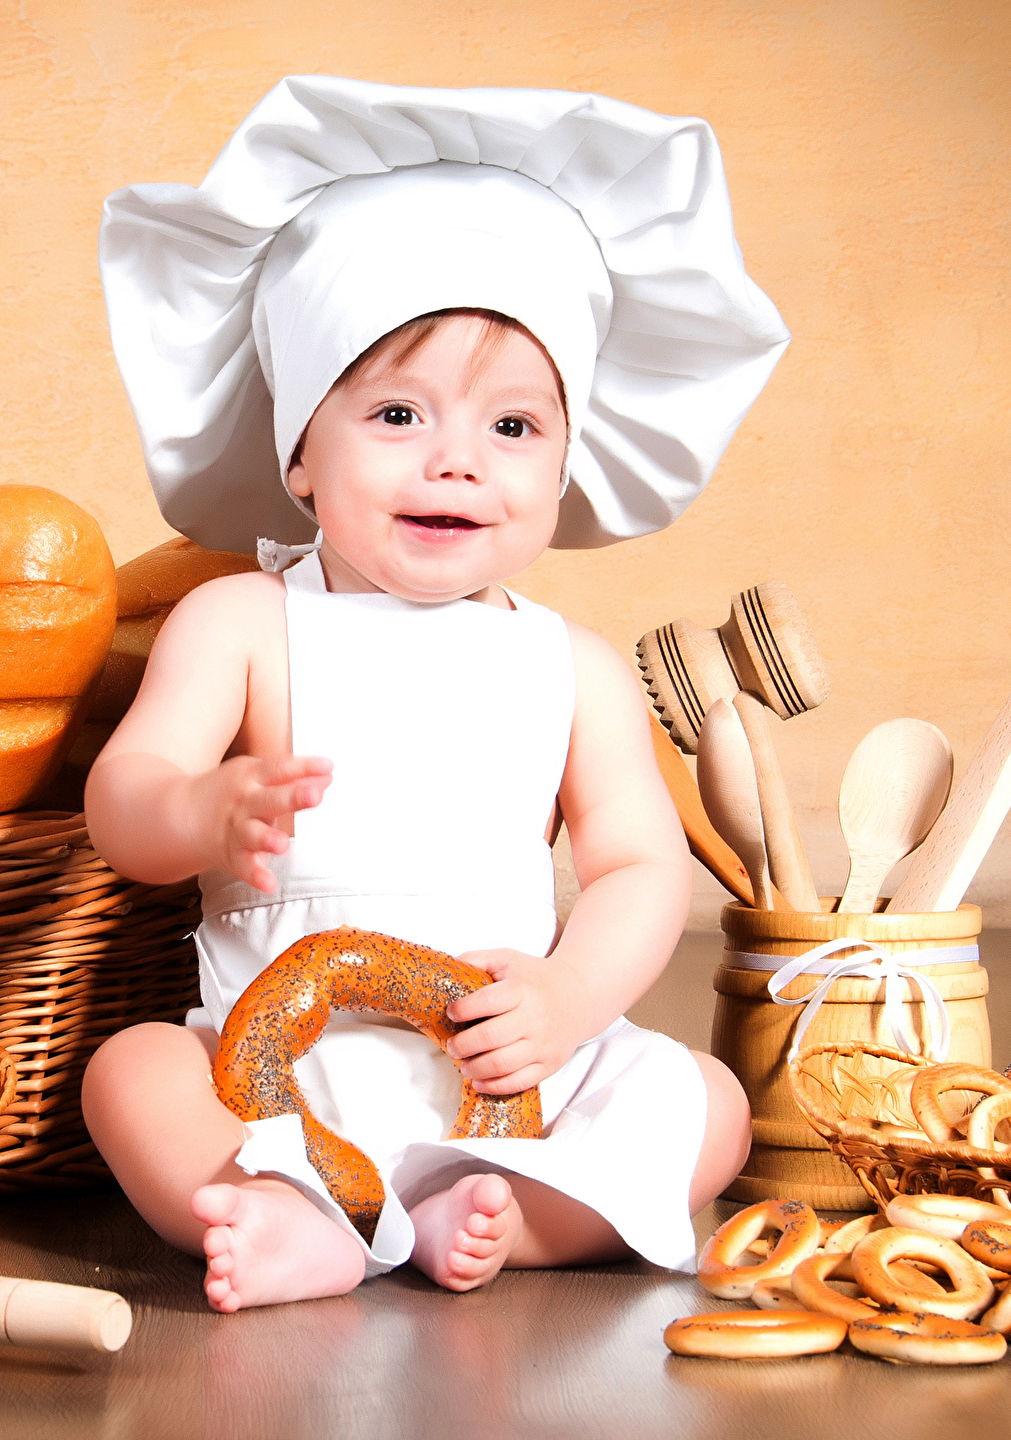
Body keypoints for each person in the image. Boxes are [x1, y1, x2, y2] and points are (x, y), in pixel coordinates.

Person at [80, 76, 793, 1313]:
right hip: (277, 1073)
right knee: (129, 1072)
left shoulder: (567, 662)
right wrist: (202, 812)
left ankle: (515, 1219)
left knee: (712, 1110)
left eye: (514, 426)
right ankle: (296, 1211)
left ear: (566, 466)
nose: (456, 457)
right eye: (398, 413)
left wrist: (568, 998)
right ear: (301, 451)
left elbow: (635, 866)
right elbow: (123, 801)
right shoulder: (245, 623)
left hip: (510, 1056)